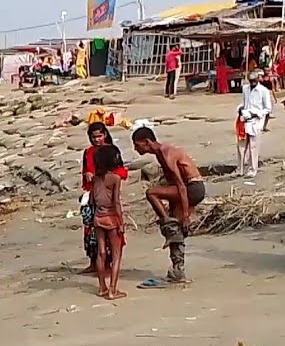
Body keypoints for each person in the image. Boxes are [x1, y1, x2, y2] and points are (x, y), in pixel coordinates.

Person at [131, 126, 204, 284]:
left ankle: (167, 221)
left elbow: (181, 186)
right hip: (187, 189)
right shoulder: (160, 154)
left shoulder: (166, 153)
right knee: (176, 230)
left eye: (137, 145)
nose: (135, 148)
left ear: (147, 142)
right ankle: (178, 270)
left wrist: (185, 214)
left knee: (151, 193)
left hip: (193, 188)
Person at [81, 123, 129, 274]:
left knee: (111, 231)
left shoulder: (111, 151)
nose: (97, 140)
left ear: (105, 135)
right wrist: (87, 175)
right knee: (90, 230)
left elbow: (121, 170)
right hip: (93, 195)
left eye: (99, 136)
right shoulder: (88, 153)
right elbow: (85, 172)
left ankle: (109, 263)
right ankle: (94, 262)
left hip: (107, 195)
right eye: (94, 137)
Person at [90, 144, 127, 300]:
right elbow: (116, 202)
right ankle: (113, 289)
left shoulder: (95, 178)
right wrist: (121, 222)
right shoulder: (115, 178)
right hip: (111, 217)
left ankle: (102, 287)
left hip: (98, 217)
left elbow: (92, 199)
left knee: (101, 252)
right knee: (116, 254)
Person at [238, 70, 273, 181]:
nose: (252, 83)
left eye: (254, 81)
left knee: (253, 146)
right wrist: (240, 109)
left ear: (258, 79)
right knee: (241, 146)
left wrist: (256, 113)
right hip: (245, 119)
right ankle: (241, 169)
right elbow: (244, 103)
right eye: (251, 81)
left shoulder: (264, 91)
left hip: (256, 121)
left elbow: (268, 109)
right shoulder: (245, 89)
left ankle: (253, 169)